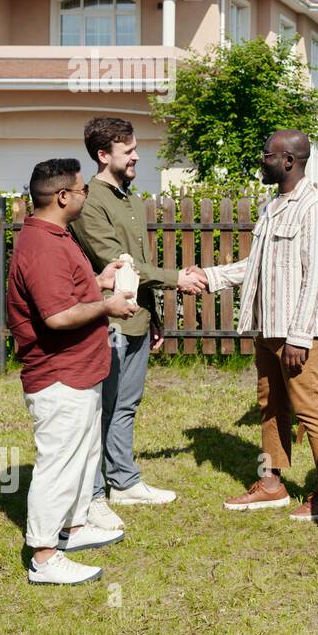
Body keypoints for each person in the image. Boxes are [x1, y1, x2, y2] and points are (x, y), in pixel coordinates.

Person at [193, 130, 318, 520]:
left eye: (267, 155)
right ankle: (272, 484)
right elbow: (253, 266)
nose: (262, 160)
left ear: (289, 161)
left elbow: (317, 277)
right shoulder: (272, 206)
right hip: (267, 327)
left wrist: (299, 336)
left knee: (309, 407)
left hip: (298, 333)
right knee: (270, 406)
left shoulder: (315, 208)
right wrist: (208, 277)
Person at [7, 158, 141, 585]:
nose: (86, 195)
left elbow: (68, 290)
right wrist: (108, 305)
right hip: (58, 374)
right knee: (59, 463)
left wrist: (100, 281)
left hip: (80, 370)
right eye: (83, 189)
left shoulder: (54, 235)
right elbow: (58, 316)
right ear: (63, 196)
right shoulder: (43, 245)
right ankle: (44, 557)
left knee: (83, 457)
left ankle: (74, 528)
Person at [70, 117, 208, 529]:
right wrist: (177, 279)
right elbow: (117, 264)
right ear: (102, 155)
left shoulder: (130, 199)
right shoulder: (90, 202)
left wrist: (154, 317)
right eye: (128, 151)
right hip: (106, 321)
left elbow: (137, 269)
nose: (136, 156)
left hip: (136, 319)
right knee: (99, 409)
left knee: (126, 406)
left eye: (135, 149)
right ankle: (93, 495)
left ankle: (124, 482)